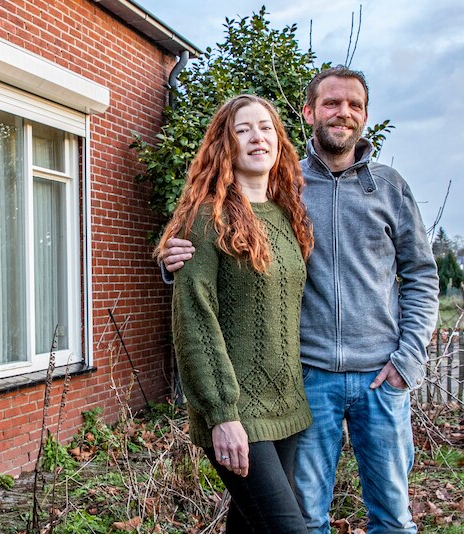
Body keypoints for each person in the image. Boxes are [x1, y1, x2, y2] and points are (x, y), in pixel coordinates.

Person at [162, 67, 439, 533]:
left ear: (366, 116)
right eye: (331, 103)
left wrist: (408, 359)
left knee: (393, 517)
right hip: (310, 379)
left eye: (354, 105)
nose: (343, 113)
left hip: (379, 378)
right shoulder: (288, 187)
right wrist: (172, 263)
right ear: (310, 112)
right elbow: (212, 269)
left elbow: (421, 275)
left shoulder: (383, 187)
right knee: (303, 520)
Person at [159, 94, 315, 532]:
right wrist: (222, 415)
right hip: (237, 411)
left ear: (279, 141)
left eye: (265, 127)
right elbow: (195, 319)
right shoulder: (206, 219)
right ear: (224, 144)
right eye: (243, 129)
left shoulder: (288, 216)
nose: (256, 137)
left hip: (286, 405)